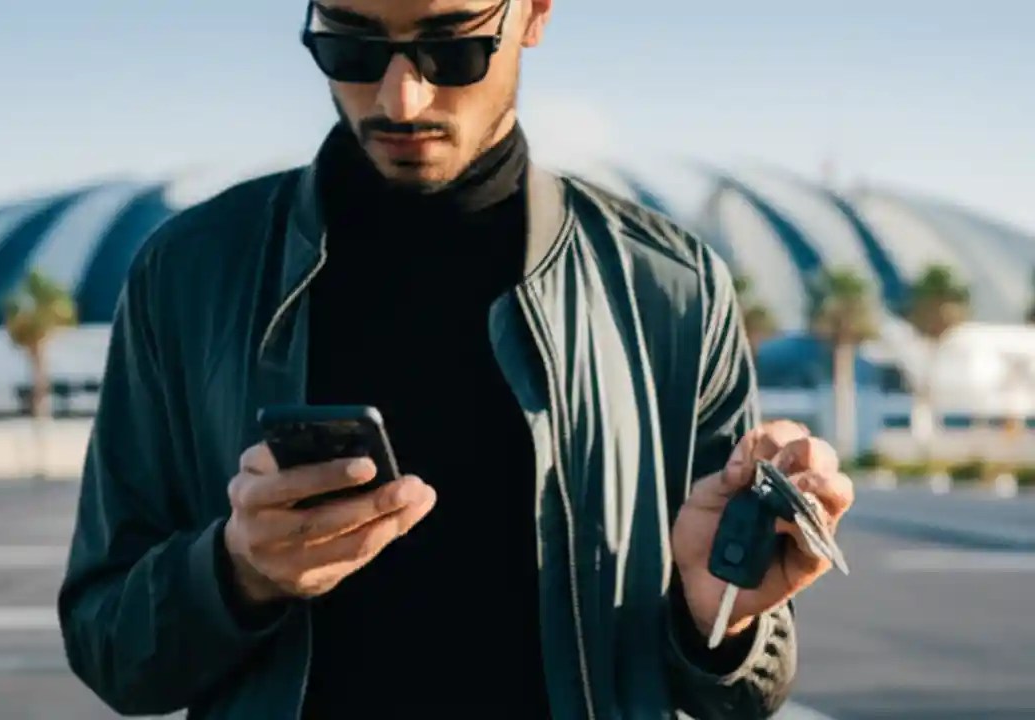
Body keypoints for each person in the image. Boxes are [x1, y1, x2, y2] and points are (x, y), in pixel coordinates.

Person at [57, 1, 856, 718]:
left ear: (534, 15)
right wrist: (235, 574)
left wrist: (718, 616)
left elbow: (741, 687)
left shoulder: (669, 289)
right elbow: (111, 649)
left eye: (453, 49)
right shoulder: (191, 273)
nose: (401, 97)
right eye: (352, 48)